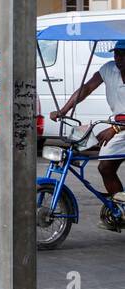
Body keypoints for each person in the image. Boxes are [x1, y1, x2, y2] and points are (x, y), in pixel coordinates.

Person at [50, 39, 125, 232]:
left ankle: (120, 206)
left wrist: (115, 129)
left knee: (105, 165)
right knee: (86, 142)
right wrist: (64, 110)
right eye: (117, 54)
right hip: (118, 124)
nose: (119, 58)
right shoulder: (109, 69)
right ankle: (120, 207)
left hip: (120, 128)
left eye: (123, 54)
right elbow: (87, 88)